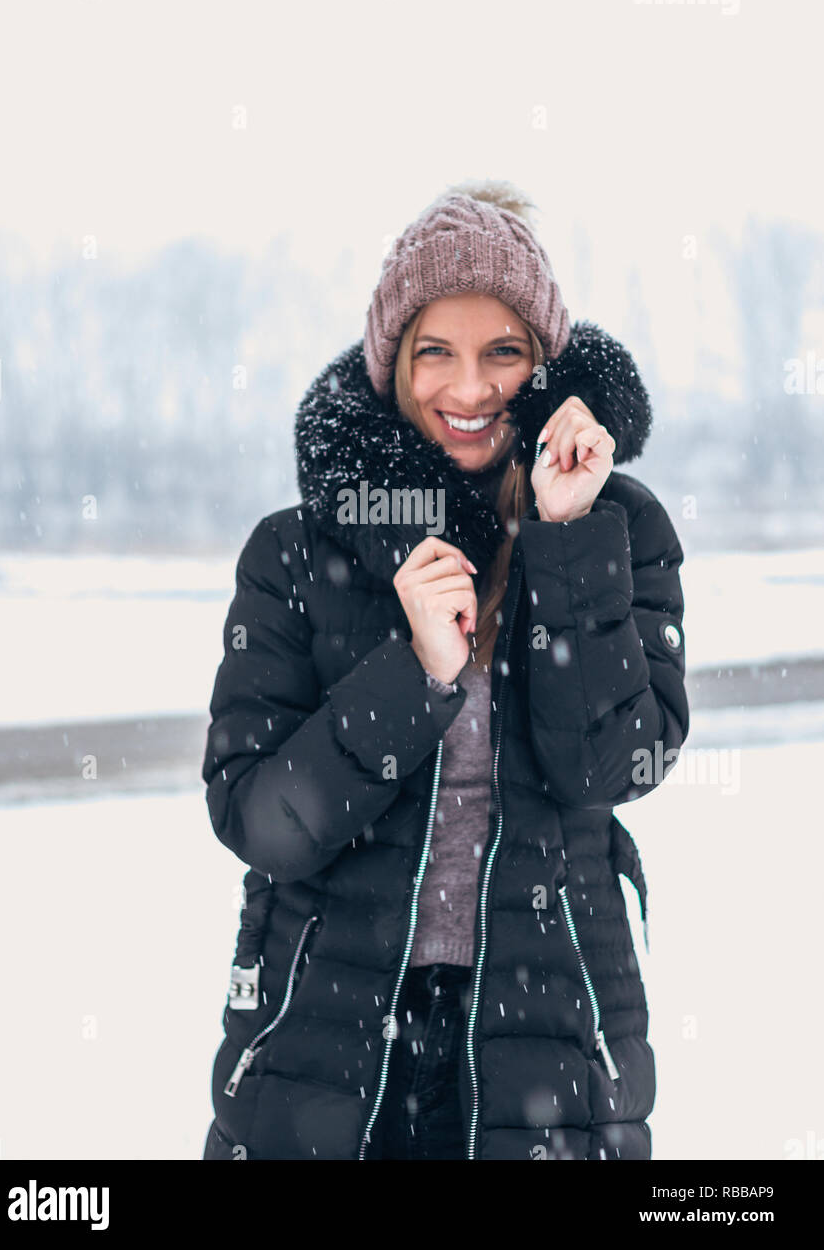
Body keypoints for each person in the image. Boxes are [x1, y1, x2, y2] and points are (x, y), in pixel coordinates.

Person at [200, 180, 689, 1161]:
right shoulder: (296, 552)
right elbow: (259, 818)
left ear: (545, 368)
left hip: (551, 1043)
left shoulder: (617, 529)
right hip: (322, 1044)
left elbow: (612, 769)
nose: (467, 389)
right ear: (392, 365)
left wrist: (564, 540)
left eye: (501, 352)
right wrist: (415, 674)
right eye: (436, 352)